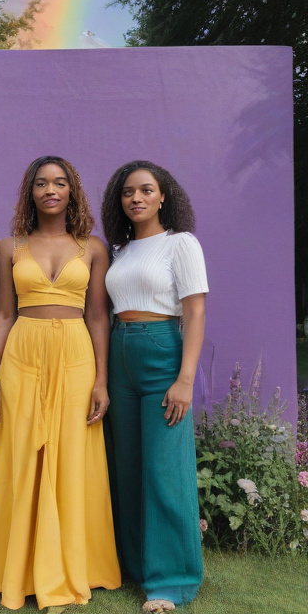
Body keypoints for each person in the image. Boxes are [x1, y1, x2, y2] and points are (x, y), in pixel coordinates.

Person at [0, 156, 121, 610]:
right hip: (22, 354)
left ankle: (73, 567)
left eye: (59, 182)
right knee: (22, 457)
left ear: (72, 191)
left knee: (74, 459)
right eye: (41, 183)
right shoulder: (10, 246)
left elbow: (99, 315)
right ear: (31, 192)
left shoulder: (93, 247)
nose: (50, 190)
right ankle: (18, 569)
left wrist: (102, 379)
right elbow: (2, 313)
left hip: (77, 356)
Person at [101, 161, 208, 614]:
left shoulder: (180, 243)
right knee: (125, 467)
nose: (137, 198)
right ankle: (135, 567)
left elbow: (196, 313)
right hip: (119, 351)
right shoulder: (120, 250)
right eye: (128, 192)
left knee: (165, 469)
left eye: (146, 190)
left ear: (164, 196)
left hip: (162, 349)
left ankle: (171, 581)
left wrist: (184, 379)